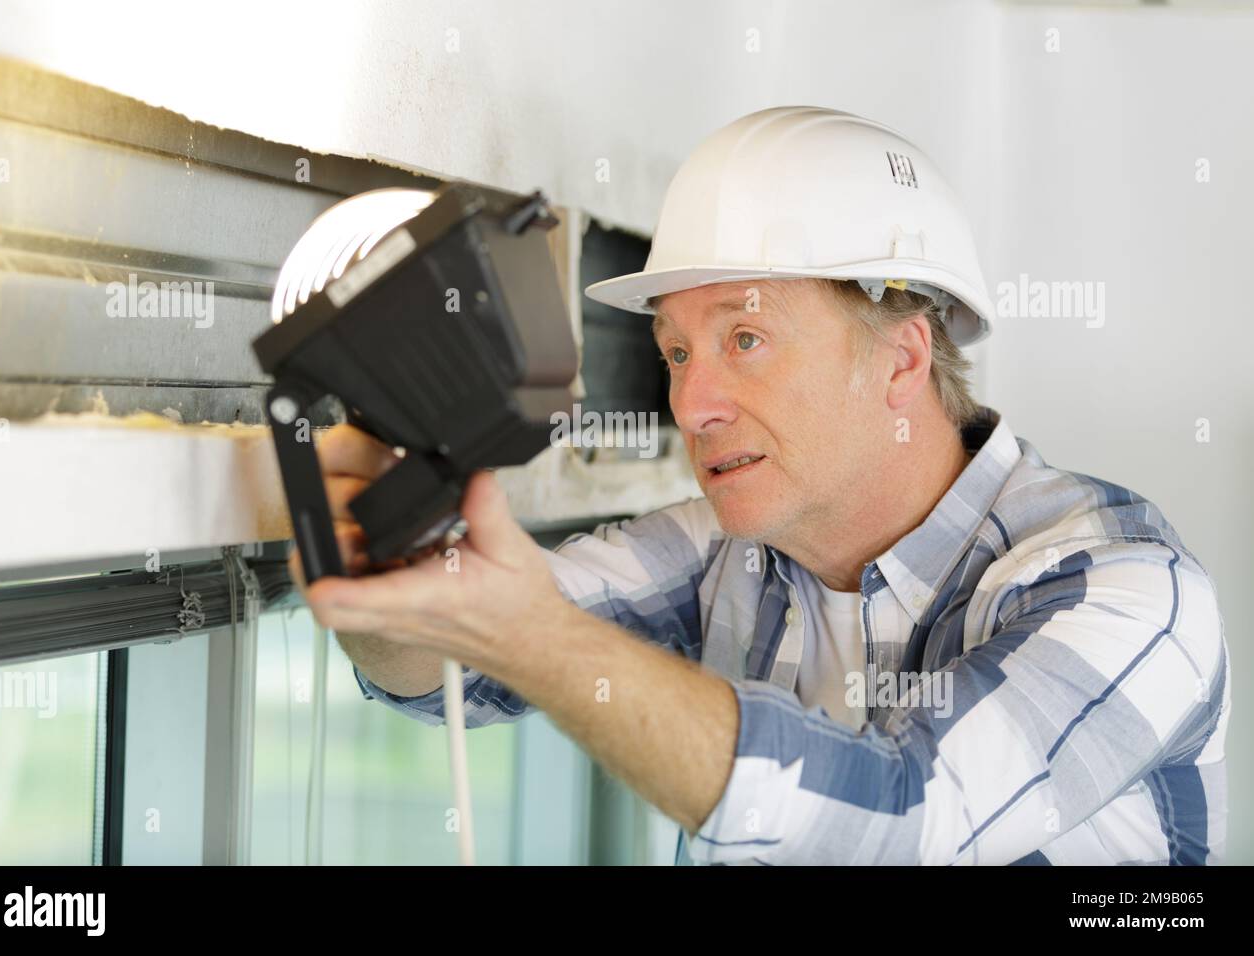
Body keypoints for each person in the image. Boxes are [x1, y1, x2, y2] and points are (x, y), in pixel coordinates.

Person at [293, 107, 1229, 865]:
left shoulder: (1131, 592)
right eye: (675, 352)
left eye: (745, 340)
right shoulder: (724, 551)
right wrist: (385, 566)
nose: (692, 403)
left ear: (901, 360)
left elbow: (907, 823)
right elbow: (448, 671)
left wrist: (533, 632)